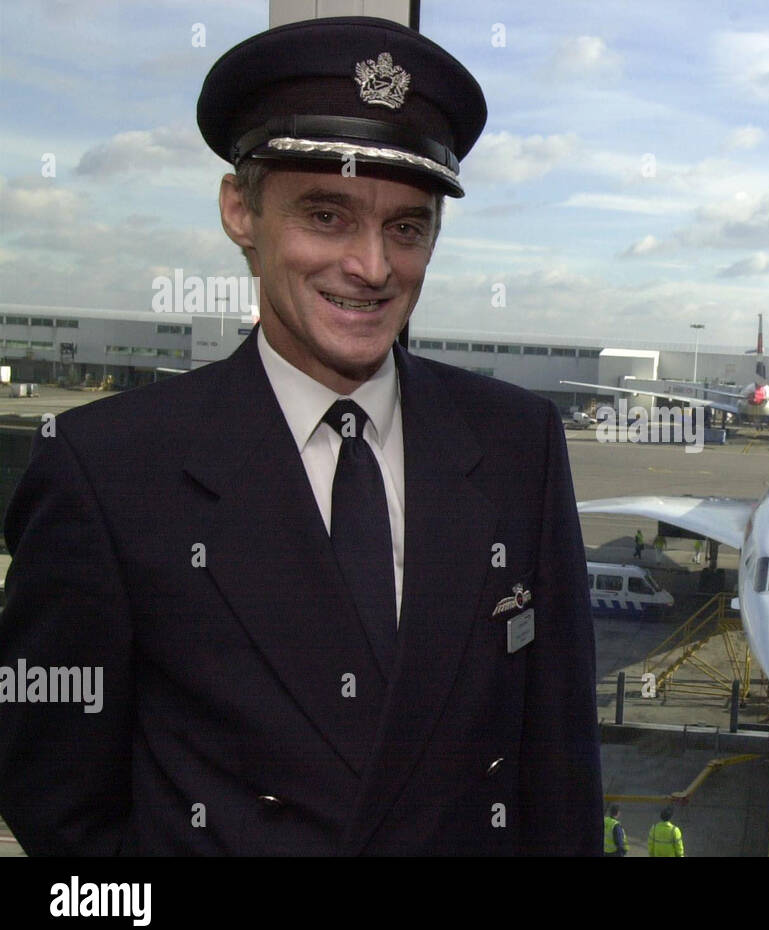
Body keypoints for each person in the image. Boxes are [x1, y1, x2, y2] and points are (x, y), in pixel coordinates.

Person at [0, 16, 601, 856]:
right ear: (240, 211)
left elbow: (561, 768)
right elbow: (59, 805)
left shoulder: (516, 446)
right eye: (326, 215)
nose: (371, 266)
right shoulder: (107, 470)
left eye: (407, 227)